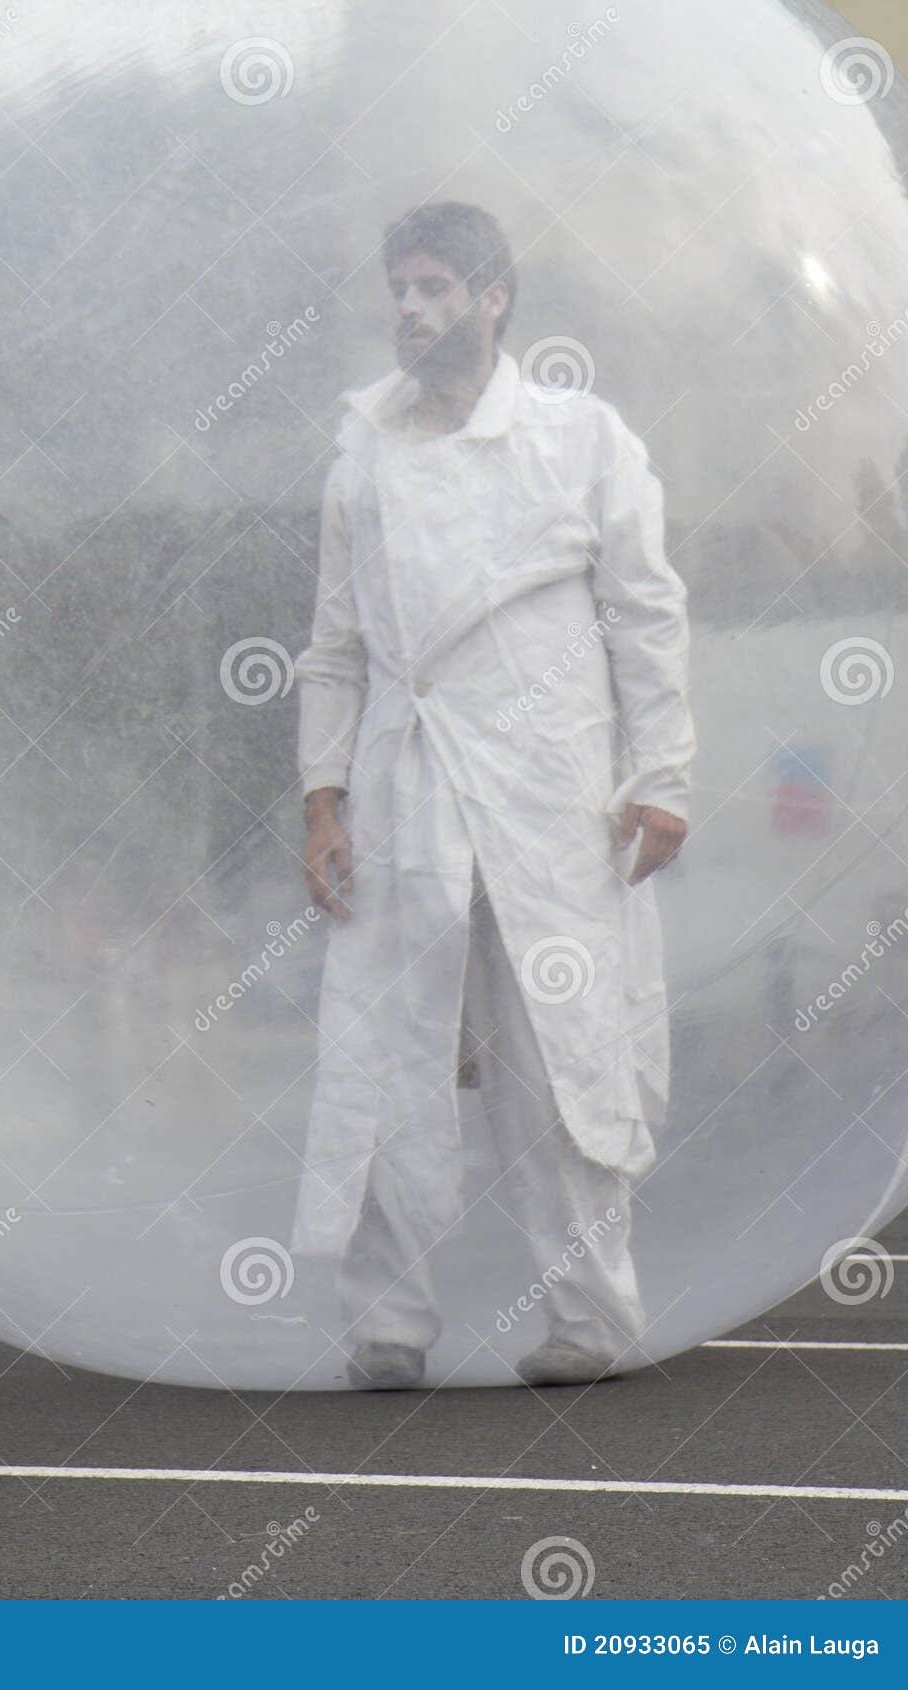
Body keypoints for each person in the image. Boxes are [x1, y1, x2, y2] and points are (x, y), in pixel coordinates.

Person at [292, 202, 695, 1389]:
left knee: (554, 1043)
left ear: (491, 296)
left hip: (548, 788)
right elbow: (333, 644)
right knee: (381, 1040)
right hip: (399, 785)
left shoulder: (579, 438)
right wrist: (322, 796)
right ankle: (388, 1323)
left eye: (432, 287)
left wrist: (659, 775)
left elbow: (645, 609)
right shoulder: (362, 449)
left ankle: (589, 1316)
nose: (410, 310)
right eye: (398, 288)